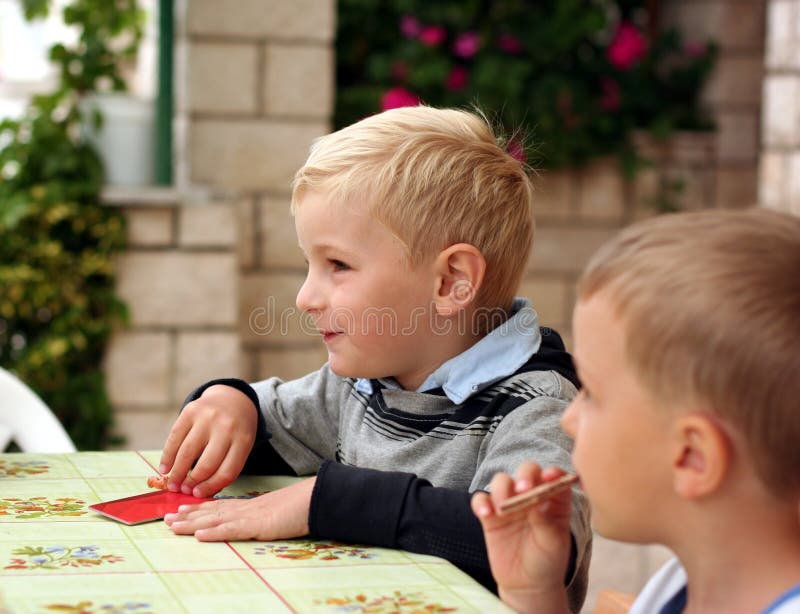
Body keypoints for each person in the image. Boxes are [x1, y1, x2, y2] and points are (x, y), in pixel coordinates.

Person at [157, 105, 592, 609]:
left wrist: (325, 502)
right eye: (309, 264)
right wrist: (229, 404)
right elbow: (262, 435)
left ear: (451, 281)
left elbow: (527, 543)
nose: (304, 297)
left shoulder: (537, 407)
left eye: (337, 265)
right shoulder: (361, 384)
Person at [472, 208, 800, 614]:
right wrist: (534, 593)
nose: (568, 419)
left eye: (590, 393)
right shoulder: (679, 585)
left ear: (693, 456)